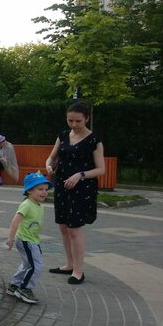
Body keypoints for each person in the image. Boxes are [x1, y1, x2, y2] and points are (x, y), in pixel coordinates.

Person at [45, 103, 105, 285]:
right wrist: (48, 165)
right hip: (62, 185)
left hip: (82, 188)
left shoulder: (94, 140)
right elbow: (52, 156)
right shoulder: (63, 135)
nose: (73, 124)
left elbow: (101, 169)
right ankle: (69, 264)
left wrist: (80, 175)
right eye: (70, 120)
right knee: (63, 227)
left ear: (87, 118)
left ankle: (79, 271)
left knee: (74, 229)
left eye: (78, 121)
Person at [5, 172, 51, 305]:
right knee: (37, 265)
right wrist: (11, 239)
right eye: (40, 189)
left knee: (27, 264)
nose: (44, 192)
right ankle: (25, 288)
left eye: (46, 190)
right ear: (30, 190)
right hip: (26, 241)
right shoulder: (27, 204)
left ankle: (14, 285)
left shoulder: (39, 205)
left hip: (32, 240)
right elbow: (15, 222)